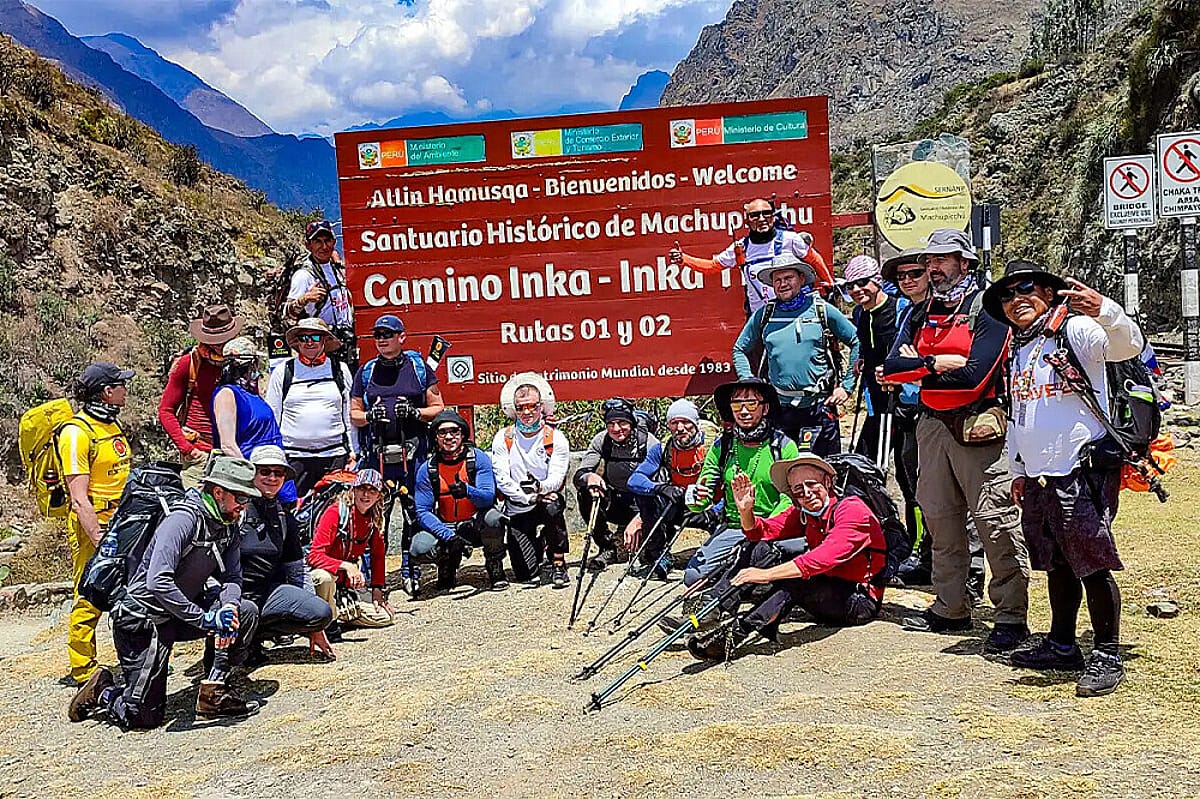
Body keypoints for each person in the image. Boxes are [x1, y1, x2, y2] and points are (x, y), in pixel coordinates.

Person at [983, 261, 1144, 696]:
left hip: (1080, 469)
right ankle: (1061, 643)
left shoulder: (1076, 330)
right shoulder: (1020, 348)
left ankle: (1107, 653)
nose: (1017, 299)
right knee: (1055, 562)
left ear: (1049, 292)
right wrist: (1018, 469)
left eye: (1027, 289)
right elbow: (1019, 413)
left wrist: (1105, 310)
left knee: (1091, 563)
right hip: (1039, 476)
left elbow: (1128, 346)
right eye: (1007, 295)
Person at [882, 228, 1030, 653]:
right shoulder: (918, 311)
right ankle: (951, 606)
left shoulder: (989, 309)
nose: (933, 267)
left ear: (965, 262)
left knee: (994, 521)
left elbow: (976, 373)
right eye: (929, 261)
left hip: (978, 424)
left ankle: (1009, 617)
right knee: (941, 519)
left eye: (942, 259)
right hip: (931, 423)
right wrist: (935, 362)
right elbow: (891, 368)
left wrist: (919, 368)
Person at [68, 457, 261, 727]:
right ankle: (102, 689)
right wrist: (204, 619)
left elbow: (232, 576)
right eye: (240, 498)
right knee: (142, 718)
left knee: (246, 612)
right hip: (145, 621)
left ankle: (215, 689)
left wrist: (228, 607)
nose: (244, 507)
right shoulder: (182, 521)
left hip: (178, 614)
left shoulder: (227, 526)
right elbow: (157, 582)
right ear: (218, 492)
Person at [685, 454, 888, 660]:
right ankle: (713, 609)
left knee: (798, 579)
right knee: (760, 550)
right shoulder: (805, 511)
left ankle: (734, 635)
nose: (807, 493)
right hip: (826, 586)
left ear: (828, 482)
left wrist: (766, 575)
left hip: (858, 600)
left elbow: (822, 559)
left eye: (812, 484)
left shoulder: (852, 510)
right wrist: (746, 511)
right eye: (798, 490)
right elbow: (760, 533)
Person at [733, 252, 859, 454]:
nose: (783, 284)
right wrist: (749, 383)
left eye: (788, 278)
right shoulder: (765, 314)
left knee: (824, 472)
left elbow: (856, 340)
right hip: (780, 411)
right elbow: (740, 348)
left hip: (819, 407)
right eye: (777, 280)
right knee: (783, 474)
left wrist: (847, 386)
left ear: (801, 278)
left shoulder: (820, 309)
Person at [682, 378, 800, 587]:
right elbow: (702, 496)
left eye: (751, 403)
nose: (743, 411)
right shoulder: (723, 446)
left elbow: (790, 498)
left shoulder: (783, 447)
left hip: (772, 528)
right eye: (737, 404)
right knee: (693, 577)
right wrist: (695, 498)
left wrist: (760, 529)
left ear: (765, 408)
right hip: (734, 527)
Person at [59, 362, 134, 685]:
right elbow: (79, 498)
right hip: (97, 524)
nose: (125, 390)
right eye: (120, 385)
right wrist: (99, 536)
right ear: (106, 392)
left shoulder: (109, 425)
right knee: (91, 589)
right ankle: (83, 668)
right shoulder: (77, 433)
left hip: (124, 519)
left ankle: (134, 653)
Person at [843, 255, 918, 547]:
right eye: (851, 285)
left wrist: (894, 370)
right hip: (875, 405)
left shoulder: (899, 308)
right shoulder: (861, 314)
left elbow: (909, 351)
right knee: (864, 471)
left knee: (906, 476)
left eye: (863, 282)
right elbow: (862, 345)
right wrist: (862, 360)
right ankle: (875, 536)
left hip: (902, 405)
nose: (858, 290)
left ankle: (914, 542)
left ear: (877, 281)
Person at [239, 446, 335, 663]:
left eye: (278, 473)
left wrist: (316, 626)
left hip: (266, 593)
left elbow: (297, 570)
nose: (272, 478)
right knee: (246, 610)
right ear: (251, 473)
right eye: (265, 471)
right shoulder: (236, 510)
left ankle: (253, 637)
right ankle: (237, 642)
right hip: (232, 595)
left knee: (320, 612)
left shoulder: (284, 517)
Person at [668, 197, 833, 314]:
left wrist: (829, 283)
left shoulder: (790, 239)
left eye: (766, 213)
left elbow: (813, 258)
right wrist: (684, 259)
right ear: (747, 220)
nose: (761, 219)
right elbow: (712, 266)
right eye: (755, 215)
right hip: (760, 317)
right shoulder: (741, 247)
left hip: (793, 310)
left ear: (773, 216)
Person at [490, 373, 571, 588]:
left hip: (546, 500)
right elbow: (502, 479)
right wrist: (529, 496)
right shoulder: (503, 438)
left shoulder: (555, 437)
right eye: (521, 407)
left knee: (554, 508)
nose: (527, 412)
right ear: (513, 409)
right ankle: (539, 543)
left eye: (532, 406)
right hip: (518, 506)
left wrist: (541, 487)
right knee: (525, 575)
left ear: (541, 406)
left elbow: (557, 477)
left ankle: (558, 562)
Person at [411, 410, 505, 592]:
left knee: (494, 518)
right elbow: (422, 512)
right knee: (419, 547)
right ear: (435, 437)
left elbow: (488, 497)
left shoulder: (478, 459)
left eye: (454, 431)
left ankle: (494, 564)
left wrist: (468, 491)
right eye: (442, 432)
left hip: (474, 522)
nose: (449, 437)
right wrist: (449, 536)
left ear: (462, 434)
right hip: (446, 525)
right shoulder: (427, 469)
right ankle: (446, 564)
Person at [350, 314, 444, 494]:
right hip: (377, 455)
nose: (381, 339)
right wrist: (370, 416)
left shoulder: (419, 368)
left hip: (415, 453)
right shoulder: (366, 371)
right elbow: (355, 414)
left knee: (417, 508)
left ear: (401, 337)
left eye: (387, 334)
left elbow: (438, 407)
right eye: (377, 335)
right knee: (378, 511)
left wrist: (414, 412)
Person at [627, 399, 717, 579]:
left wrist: (715, 509)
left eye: (686, 422)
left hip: (712, 507)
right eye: (674, 423)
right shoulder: (662, 448)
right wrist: (661, 488)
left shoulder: (716, 446)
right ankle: (659, 556)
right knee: (646, 497)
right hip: (679, 504)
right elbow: (634, 480)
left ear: (695, 423)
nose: (680, 428)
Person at [266, 318, 357, 496]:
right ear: (297, 342)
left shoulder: (340, 370)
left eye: (314, 337)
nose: (308, 342)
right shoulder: (283, 371)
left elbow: (349, 414)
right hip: (294, 457)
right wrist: (273, 456)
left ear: (324, 340)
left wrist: (353, 453)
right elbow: (273, 416)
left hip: (334, 455)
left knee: (333, 510)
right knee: (291, 507)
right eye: (303, 338)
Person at [158, 304, 242, 487]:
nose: (220, 345)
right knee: (194, 509)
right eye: (215, 339)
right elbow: (166, 410)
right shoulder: (189, 363)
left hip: (234, 455)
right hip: (200, 453)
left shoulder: (241, 364)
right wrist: (187, 449)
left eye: (224, 339)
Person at [573, 398, 660, 572]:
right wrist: (590, 477)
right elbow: (579, 475)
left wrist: (641, 516)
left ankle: (651, 547)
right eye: (610, 423)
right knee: (585, 493)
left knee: (648, 557)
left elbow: (660, 485)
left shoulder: (649, 443)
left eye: (622, 422)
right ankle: (607, 547)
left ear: (632, 423)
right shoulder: (602, 440)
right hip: (615, 500)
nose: (616, 429)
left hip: (645, 503)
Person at [307, 469, 395, 638]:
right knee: (323, 577)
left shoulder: (374, 517)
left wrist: (377, 591)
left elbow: (377, 555)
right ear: (353, 489)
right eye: (362, 488)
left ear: (379, 496)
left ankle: (338, 611)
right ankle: (329, 623)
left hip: (344, 587)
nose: (366, 494)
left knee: (386, 617)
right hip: (325, 580)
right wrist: (346, 566)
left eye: (372, 490)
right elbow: (314, 556)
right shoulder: (335, 512)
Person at [212, 337, 297, 504]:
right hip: (257, 479)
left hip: (272, 473)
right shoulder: (227, 394)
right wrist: (250, 478)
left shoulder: (251, 394)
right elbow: (227, 444)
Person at [281, 220, 356, 367]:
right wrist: (304, 299)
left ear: (334, 242)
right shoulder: (304, 275)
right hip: (321, 345)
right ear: (308, 245)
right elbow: (286, 314)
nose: (324, 246)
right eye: (318, 241)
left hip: (345, 342)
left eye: (327, 240)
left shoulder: (337, 268)